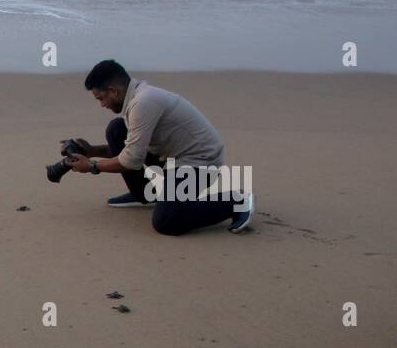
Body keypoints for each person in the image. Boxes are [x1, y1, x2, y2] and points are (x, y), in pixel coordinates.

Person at [62, 60, 254, 235]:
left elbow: (132, 159)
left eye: (100, 98)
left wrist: (92, 166)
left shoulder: (143, 102)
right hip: (171, 157)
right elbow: (134, 148)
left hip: (200, 162)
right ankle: (144, 194)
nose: (101, 104)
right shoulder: (136, 99)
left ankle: (237, 201)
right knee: (117, 130)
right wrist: (92, 150)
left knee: (167, 222)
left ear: (113, 90)